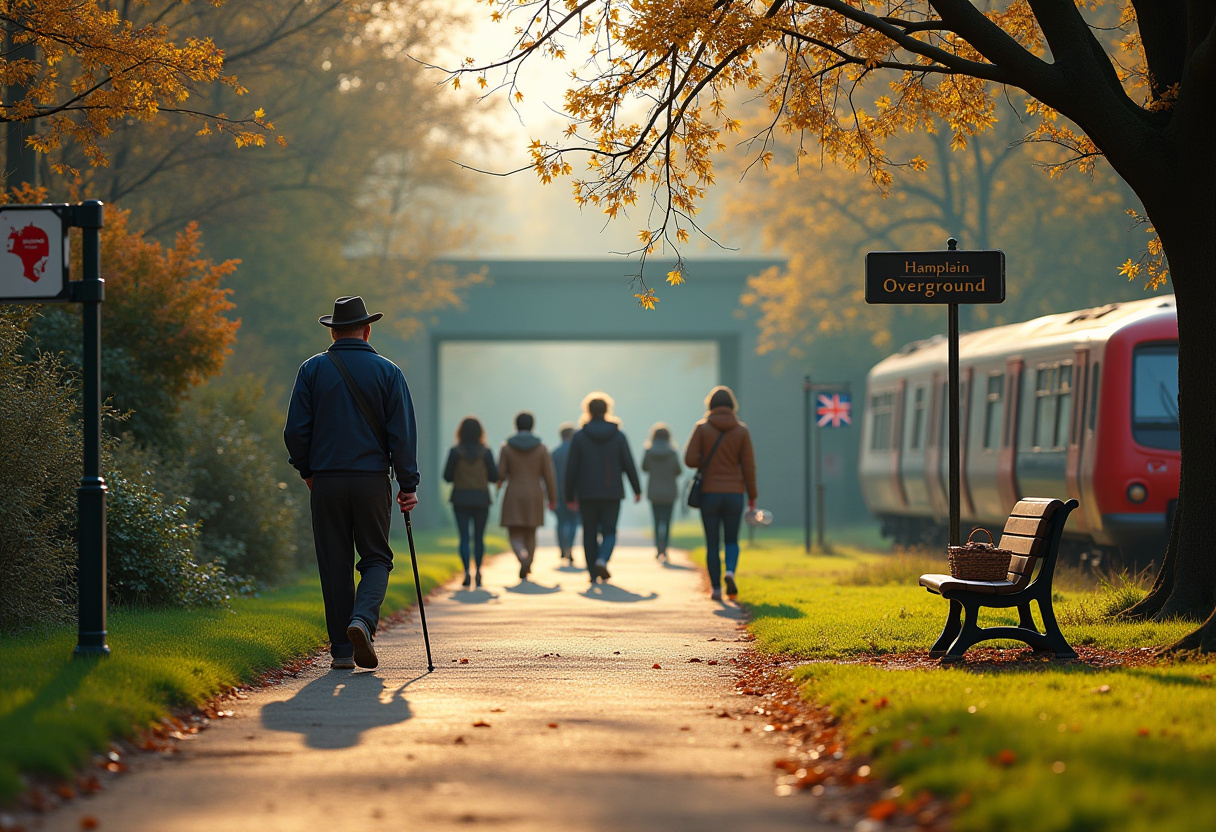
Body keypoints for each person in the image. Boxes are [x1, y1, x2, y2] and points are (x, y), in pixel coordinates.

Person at [284, 296, 418, 671]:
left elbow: (295, 431)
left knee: (334, 562)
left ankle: (342, 651)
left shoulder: (311, 370)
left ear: (332, 331)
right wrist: (408, 484)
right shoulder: (389, 372)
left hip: (326, 480)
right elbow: (402, 435)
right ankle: (362, 620)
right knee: (376, 558)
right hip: (371, 481)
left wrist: (307, 471)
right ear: (367, 329)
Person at [684, 385, 757, 602]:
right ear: (732, 406)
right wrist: (752, 495)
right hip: (734, 494)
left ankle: (716, 589)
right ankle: (730, 572)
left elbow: (689, 459)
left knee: (713, 543)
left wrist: (704, 459)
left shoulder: (702, 428)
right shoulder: (742, 431)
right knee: (732, 539)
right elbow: (749, 466)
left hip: (709, 493)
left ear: (711, 405)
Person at [564, 392, 642, 584]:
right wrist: (637, 489)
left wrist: (569, 495)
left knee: (589, 532)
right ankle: (603, 559)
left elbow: (571, 468)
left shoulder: (579, 437)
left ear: (588, 411)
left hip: (587, 493)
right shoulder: (618, 436)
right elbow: (628, 463)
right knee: (609, 531)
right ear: (607, 410)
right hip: (612, 492)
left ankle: (592, 572)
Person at [497, 411, 557, 580]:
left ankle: (522, 556)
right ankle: (528, 560)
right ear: (532, 426)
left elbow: (500, 473)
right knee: (531, 531)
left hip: (513, 493)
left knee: (514, 532)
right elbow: (549, 476)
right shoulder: (542, 448)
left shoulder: (506, 448)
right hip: (534, 493)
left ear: (516, 426)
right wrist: (552, 498)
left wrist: (499, 482)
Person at [442, 416, 498, 588]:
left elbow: (447, 477)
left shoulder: (455, 452)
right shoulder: (486, 452)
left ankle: (466, 571)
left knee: (464, 537)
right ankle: (479, 571)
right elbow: (494, 476)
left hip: (460, 498)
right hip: (481, 498)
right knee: (479, 538)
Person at [641, 423, 682, 560]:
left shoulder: (649, 452)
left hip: (654, 492)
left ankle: (658, 548)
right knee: (667, 521)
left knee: (656, 521)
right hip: (670, 492)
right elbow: (678, 471)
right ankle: (666, 548)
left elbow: (644, 468)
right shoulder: (672, 453)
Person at [550, 423, 579, 564]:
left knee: (561, 521)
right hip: (574, 493)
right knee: (573, 521)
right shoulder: (577, 452)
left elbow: (549, 475)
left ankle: (562, 548)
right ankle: (570, 547)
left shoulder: (555, 453)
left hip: (558, 492)